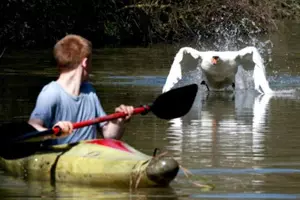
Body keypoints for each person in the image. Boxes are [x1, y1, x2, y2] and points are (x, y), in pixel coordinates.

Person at [28, 34, 134, 145]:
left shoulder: (89, 92)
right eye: (91, 62)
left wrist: (120, 121)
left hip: (88, 157)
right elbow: (32, 127)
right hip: (61, 159)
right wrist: (54, 132)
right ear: (85, 62)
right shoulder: (51, 92)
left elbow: (109, 135)